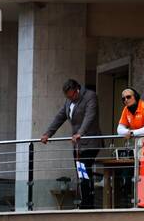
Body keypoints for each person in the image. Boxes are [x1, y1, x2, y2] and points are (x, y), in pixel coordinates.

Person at [40, 78, 102, 209]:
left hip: (90, 142)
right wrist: (48, 134)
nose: (70, 98)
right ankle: (85, 202)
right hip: (78, 145)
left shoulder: (90, 96)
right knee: (81, 173)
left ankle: (88, 204)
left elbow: (89, 117)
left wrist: (81, 132)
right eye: (67, 96)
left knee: (85, 171)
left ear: (77, 90)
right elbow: (60, 117)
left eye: (72, 95)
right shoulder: (69, 100)